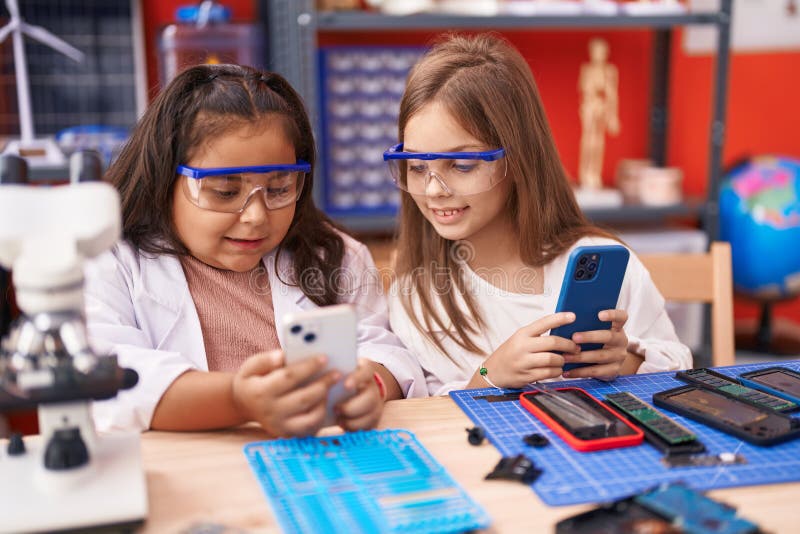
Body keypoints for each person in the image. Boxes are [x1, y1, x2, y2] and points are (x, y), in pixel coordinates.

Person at [85, 64, 426, 435]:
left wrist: (370, 385)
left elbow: (384, 351)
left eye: (279, 188)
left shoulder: (335, 256)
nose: (256, 216)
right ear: (165, 178)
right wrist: (238, 400)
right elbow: (110, 379)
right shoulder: (112, 261)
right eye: (226, 191)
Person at [385, 33, 691, 396]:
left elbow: (678, 371)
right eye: (416, 166)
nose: (434, 189)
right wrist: (489, 374)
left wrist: (623, 362)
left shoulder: (604, 262)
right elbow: (426, 419)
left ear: (518, 159)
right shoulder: (417, 294)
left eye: (462, 164)